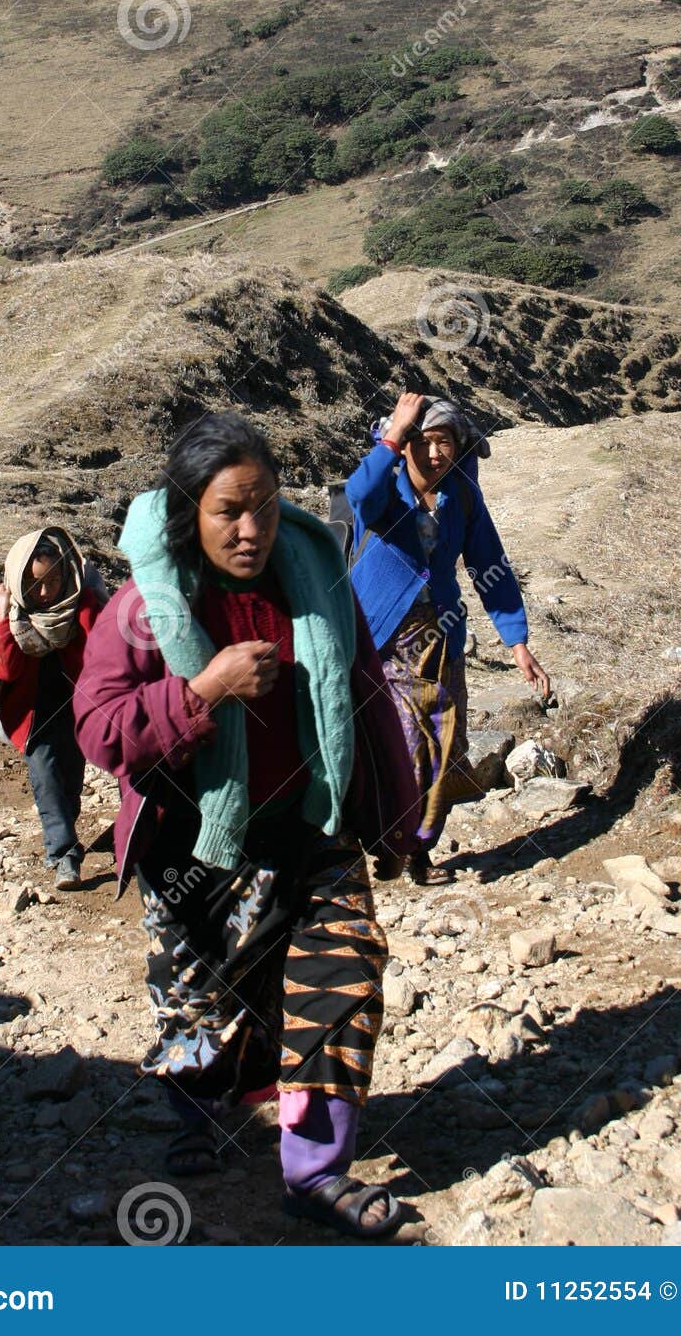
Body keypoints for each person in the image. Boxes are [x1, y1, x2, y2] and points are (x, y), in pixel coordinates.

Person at [73, 412, 419, 1239]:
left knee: (341, 977)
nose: (252, 528)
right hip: (196, 843)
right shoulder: (143, 608)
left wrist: (398, 819)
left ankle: (315, 1171)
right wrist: (203, 692)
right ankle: (197, 1111)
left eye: (263, 504)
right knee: (205, 996)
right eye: (228, 509)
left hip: (310, 826)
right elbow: (98, 728)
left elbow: (367, 695)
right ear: (188, 511)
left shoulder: (312, 577)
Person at [345, 391, 550, 886]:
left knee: (442, 745)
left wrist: (516, 641)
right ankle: (382, 839)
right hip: (383, 641)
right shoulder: (385, 491)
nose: (436, 454)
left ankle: (417, 849)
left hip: (442, 638)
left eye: (447, 443)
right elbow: (358, 493)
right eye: (427, 441)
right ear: (408, 443)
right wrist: (395, 430)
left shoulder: (461, 496)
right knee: (400, 745)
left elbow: (489, 565)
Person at [0, 526, 104, 890]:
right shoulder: (12, 613)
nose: (45, 593)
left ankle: (65, 824)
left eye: (53, 581)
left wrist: (90, 602)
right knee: (46, 778)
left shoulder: (80, 604)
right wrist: (1, 619)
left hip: (76, 712)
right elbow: (6, 669)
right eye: (35, 584)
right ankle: (64, 855)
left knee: (70, 777)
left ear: (67, 576)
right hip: (32, 717)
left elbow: (98, 655)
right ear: (19, 579)